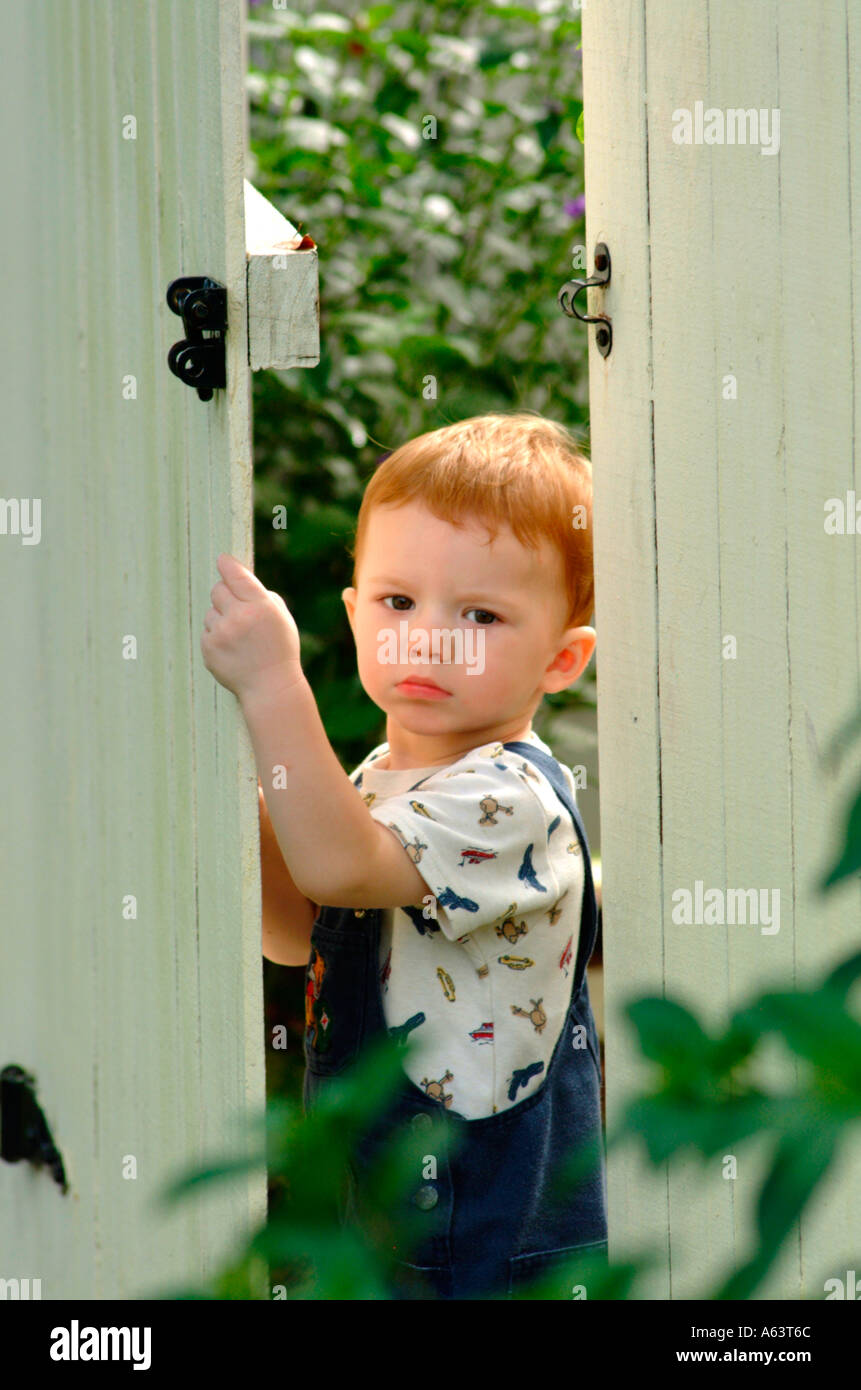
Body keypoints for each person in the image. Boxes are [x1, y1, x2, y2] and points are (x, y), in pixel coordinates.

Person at [201, 412, 607, 1299]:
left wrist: (273, 684)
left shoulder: (509, 798)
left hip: (482, 1238)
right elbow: (294, 929)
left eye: (481, 614)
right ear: (354, 613)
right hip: (378, 1215)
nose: (427, 637)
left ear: (562, 659)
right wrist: (261, 788)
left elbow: (343, 868)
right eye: (397, 602)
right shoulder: (381, 776)